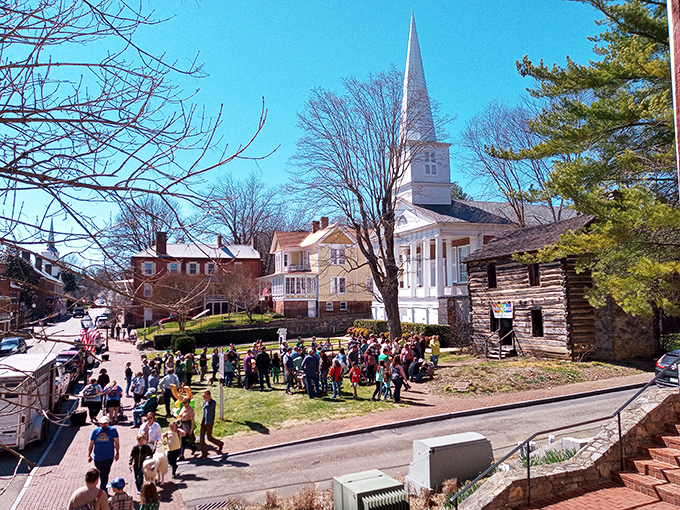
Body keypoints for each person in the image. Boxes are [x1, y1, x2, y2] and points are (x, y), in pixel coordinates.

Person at [88, 416, 119, 491]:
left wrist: (117, 453)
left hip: (108, 457)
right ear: (99, 423)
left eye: (106, 423)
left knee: (105, 474)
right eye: (102, 424)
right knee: (101, 474)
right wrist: (89, 454)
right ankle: (103, 489)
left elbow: (117, 442)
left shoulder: (113, 431)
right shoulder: (95, 432)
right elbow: (91, 444)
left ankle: (102, 490)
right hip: (97, 458)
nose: (104, 425)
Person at [200, 390, 224, 458]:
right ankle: (204, 454)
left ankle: (220, 444)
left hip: (209, 421)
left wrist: (207, 404)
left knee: (209, 437)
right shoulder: (205, 402)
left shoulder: (212, 402)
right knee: (201, 438)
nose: (203, 397)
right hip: (204, 420)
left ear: (208, 395)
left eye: (204, 395)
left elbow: (209, 408)